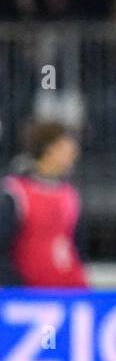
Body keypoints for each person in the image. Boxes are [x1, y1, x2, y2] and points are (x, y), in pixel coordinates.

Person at [0, 119, 86, 288]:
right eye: (66, 148)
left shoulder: (70, 195)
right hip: (32, 292)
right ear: (48, 149)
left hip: (70, 288)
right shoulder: (16, 192)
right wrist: (15, 287)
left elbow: (76, 246)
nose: (74, 154)